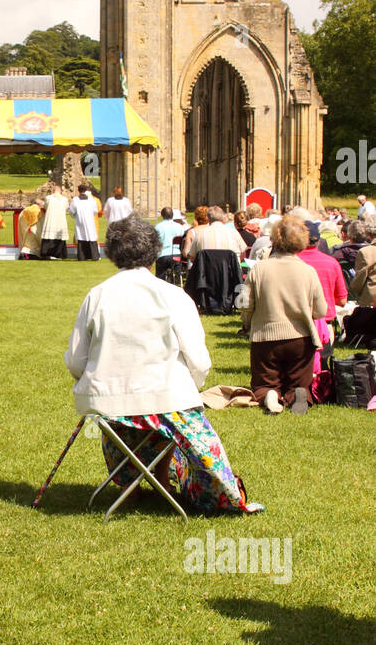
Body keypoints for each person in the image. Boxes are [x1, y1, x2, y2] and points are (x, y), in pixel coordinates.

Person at [64, 215, 256, 514]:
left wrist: (94, 381)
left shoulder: (96, 296)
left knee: (137, 418)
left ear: (113, 253)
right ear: (153, 252)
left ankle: (131, 484)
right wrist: (192, 386)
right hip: (167, 399)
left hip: (110, 404)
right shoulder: (173, 296)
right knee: (171, 416)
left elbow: (76, 359)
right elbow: (198, 359)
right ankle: (167, 481)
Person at [238, 215, 327, 414]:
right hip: (301, 338)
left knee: (264, 381)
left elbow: (244, 303)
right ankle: (298, 395)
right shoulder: (308, 271)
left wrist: (248, 322)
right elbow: (321, 310)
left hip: (265, 336)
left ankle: (269, 394)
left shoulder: (259, 269)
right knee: (299, 381)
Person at [300, 221, 346, 351]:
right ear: (319, 241)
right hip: (324, 323)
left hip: (296, 323)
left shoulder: (291, 261)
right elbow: (342, 300)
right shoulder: (332, 263)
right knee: (323, 367)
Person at [69, 182, 101, 261]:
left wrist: (76, 216)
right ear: (86, 190)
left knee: (81, 237)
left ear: (78, 191)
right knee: (91, 237)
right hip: (90, 221)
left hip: (80, 222)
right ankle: (94, 256)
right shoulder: (92, 200)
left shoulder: (75, 200)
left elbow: (71, 212)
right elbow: (95, 211)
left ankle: (82, 256)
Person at [40, 185, 69, 259]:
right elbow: (66, 208)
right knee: (59, 237)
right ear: (60, 191)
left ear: (54, 191)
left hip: (51, 219)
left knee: (49, 236)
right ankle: (60, 254)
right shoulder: (64, 199)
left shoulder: (48, 198)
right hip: (60, 220)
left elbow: (45, 206)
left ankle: (46, 254)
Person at [153, 206, 180, 280]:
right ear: (172, 215)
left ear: (162, 215)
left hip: (163, 255)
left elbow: (155, 241)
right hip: (177, 255)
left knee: (160, 276)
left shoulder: (158, 227)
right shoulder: (180, 227)